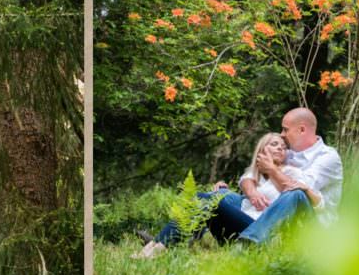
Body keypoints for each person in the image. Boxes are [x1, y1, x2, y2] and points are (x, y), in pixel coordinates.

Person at [136, 108, 342, 257]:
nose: (282, 135)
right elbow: (249, 174)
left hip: (310, 227)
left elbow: (300, 189)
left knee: (295, 194)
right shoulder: (289, 153)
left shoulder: (327, 157)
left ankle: (248, 244)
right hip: (263, 220)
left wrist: (271, 169)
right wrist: (251, 190)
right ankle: (161, 243)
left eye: (285, 130)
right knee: (212, 196)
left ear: (302, 130)